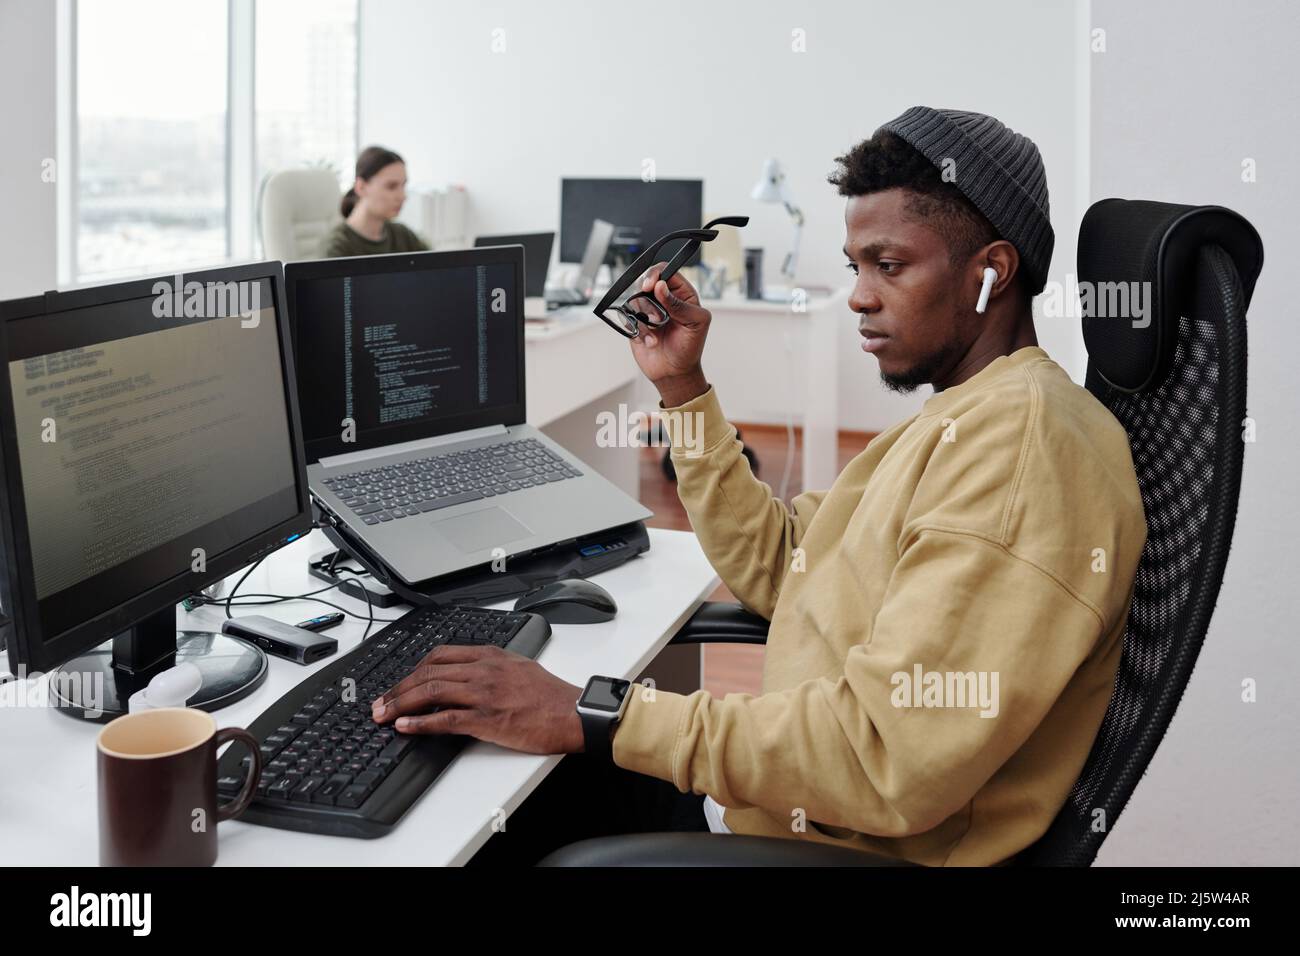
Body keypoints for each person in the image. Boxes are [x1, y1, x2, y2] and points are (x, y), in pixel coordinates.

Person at [370, 107, 1148, 867]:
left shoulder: (1022, 454)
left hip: (820, 843)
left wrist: (593, 711)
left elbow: (885, 756)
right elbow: (784, 563)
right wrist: (683, 390)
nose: (858, 295)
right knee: (464, 787)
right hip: (775, 804)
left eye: (890, 264)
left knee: (459, 825)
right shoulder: (967, 416)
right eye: (856, 267)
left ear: (992, 271)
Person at [321, 145, 428, 258]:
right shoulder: (337, 246)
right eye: (391, 186)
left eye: (403, 185)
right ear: (361, 187)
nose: (403, 196)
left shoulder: (403, 235)